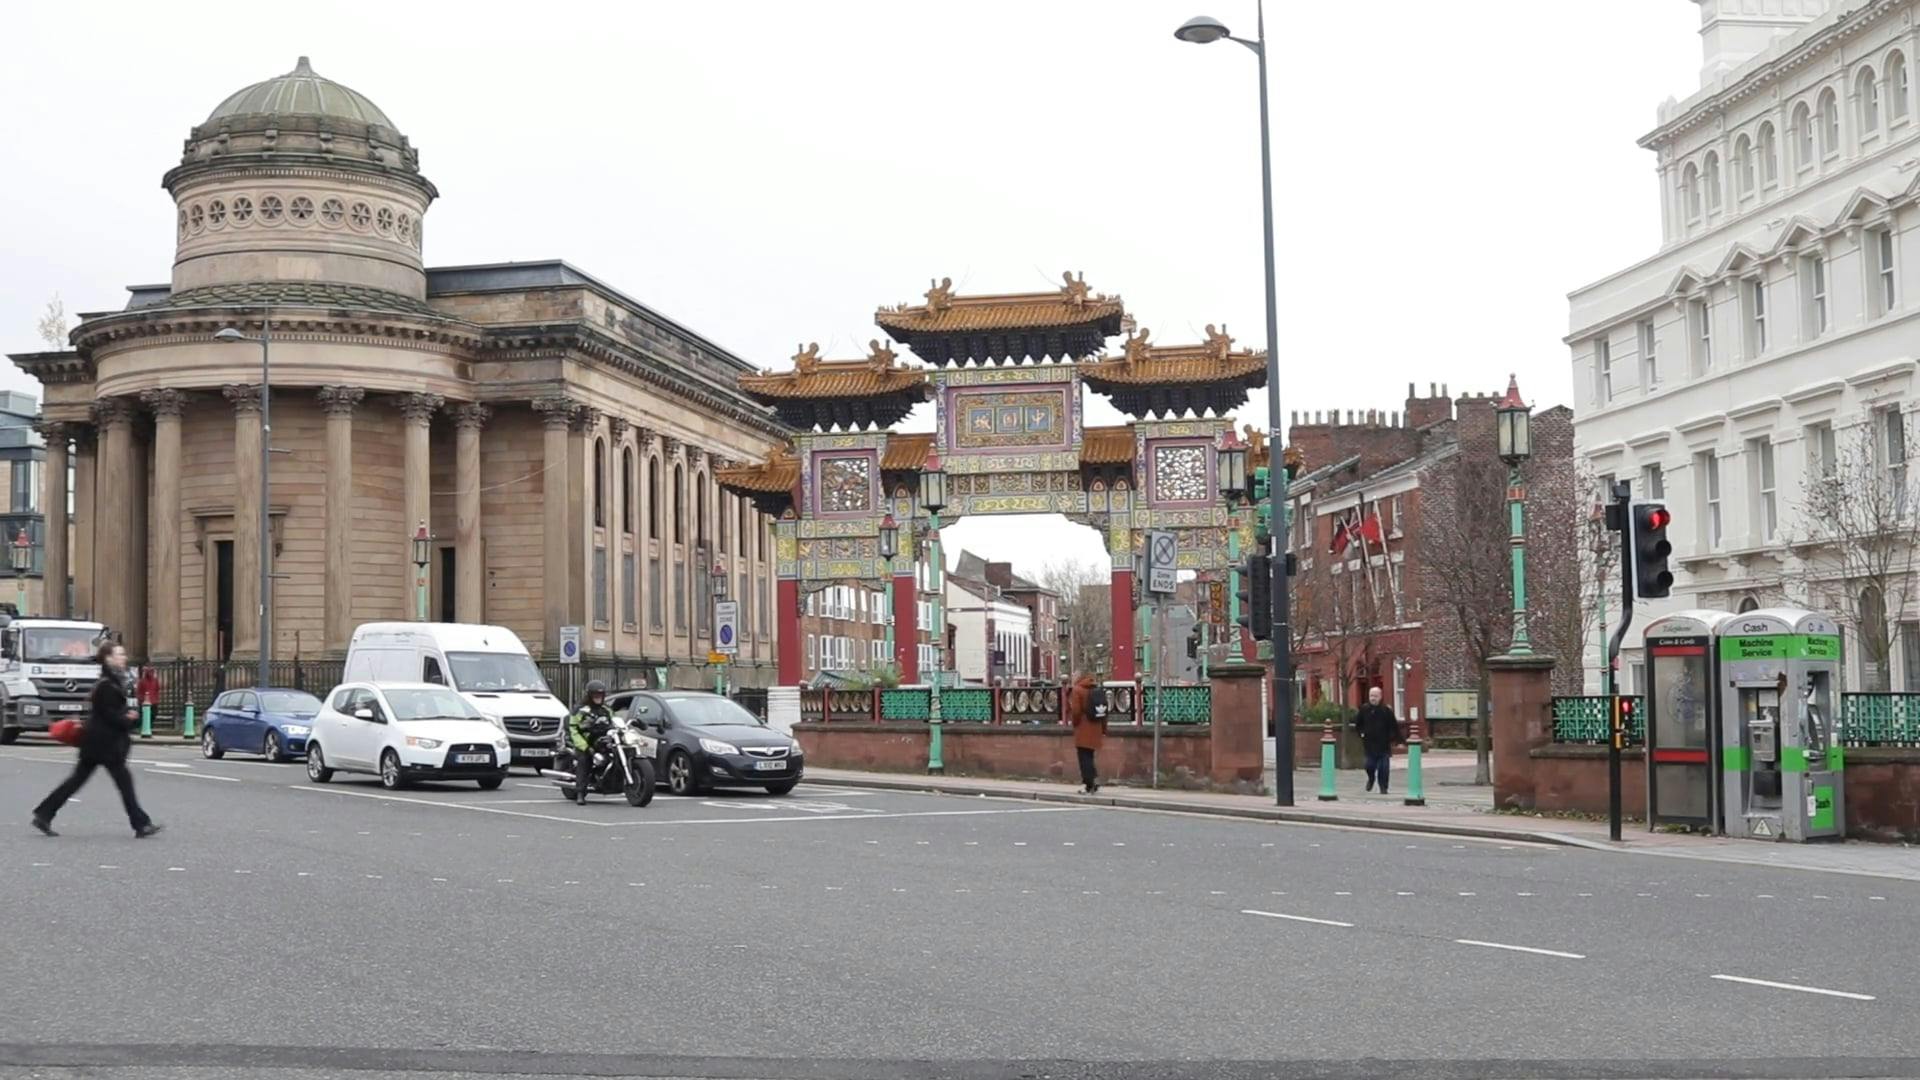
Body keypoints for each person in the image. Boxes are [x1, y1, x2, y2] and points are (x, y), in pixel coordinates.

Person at [31, 642, 160, 838]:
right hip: (104, 744)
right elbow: (109, 715)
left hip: (96, 743)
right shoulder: (107, 685)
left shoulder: (110, 681)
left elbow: (108, 713)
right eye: (119, 654)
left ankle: (44, 814)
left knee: (76, 781)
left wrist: (126, 717)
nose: (124, 658)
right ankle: (141, 824)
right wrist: (128, 718)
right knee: (123, 783)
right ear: (109, 659)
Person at [564, 680, 615, 806]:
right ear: (589, 695)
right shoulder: (580, 710)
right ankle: (580, 792)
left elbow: (615, 721)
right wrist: (585, 747)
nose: (598, 697)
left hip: (602, 741)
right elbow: (573, 729)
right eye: (595, 695)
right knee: (585, 759)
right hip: (585, 742)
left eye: (600, 695)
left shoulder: (606, 709)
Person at [1351, 685, 1402, 795]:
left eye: (1375, 696)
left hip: (1383, 744)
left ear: (1380, 697)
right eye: (1371, 696)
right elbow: (1358, 724)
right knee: (1369, 766)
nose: (1373, 698)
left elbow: (1394, 726)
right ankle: (1371, 778)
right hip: (1369, 744)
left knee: (1384, 769)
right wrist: (1362, 734)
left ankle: (1383, 787)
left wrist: (1394, 738)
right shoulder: (1364, 709)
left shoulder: (1386, 711)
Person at [1066, 671, 1106, 795]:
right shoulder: (1096, 689)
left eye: (1073, 676)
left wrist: (1074, 722)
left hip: (1083, 727)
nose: (1072, 678)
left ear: (1078, 677)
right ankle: (1094, 780)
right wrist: (1104, 729)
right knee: (1090, 756)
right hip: (1096, 726)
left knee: (1084, 757)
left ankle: (1089, 784)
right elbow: (1104, 711)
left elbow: (1076, 711)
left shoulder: (1077, 690)